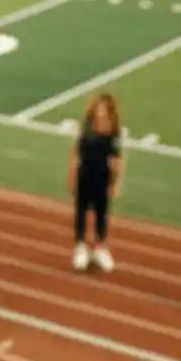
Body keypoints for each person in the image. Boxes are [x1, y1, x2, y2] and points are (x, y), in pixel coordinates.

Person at [68, 92, 125, 273]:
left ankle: (101, 249)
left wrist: (115, 183)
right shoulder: (86, 127)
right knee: (81, 212)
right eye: (98, 107)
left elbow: (117, 159)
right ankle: (81, 247)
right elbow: (76, 152)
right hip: (85, 174)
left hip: (103, 177)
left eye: (104, 108)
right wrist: (71, 175)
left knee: (102, 214)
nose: (100, 111)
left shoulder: (113, 130)